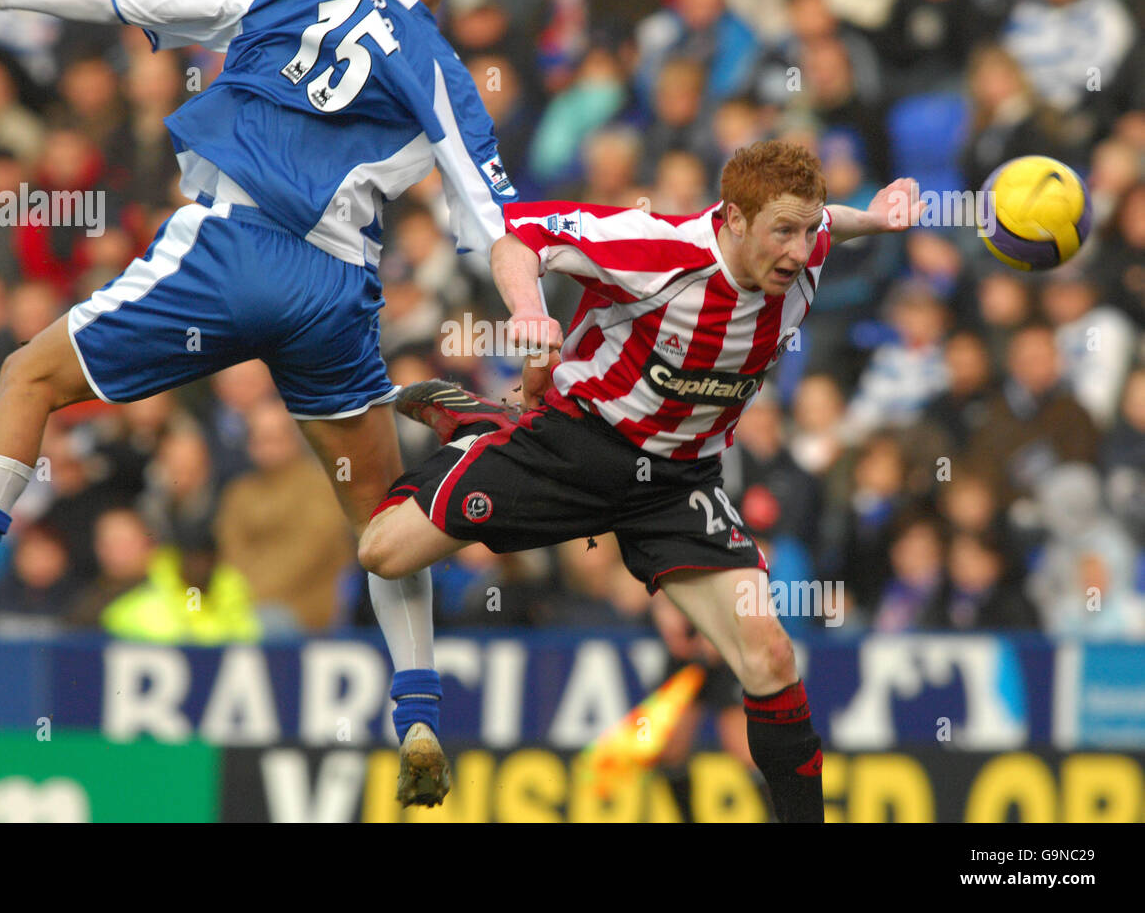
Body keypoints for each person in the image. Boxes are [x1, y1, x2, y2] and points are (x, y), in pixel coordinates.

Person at [0, 0, 557, 809]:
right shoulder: (440, 66)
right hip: (331, 292)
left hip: (228, 249)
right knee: (385, 518)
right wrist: (530, 320)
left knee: (26, 374)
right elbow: (498, 221)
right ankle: (418, 712)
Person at [358, 140, 925, 822]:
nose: (801, 252)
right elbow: (518, 236)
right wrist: (530, 310)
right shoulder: (658, 250)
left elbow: (829, 221)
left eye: (809, 232)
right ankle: (485, 426)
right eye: (784, 232)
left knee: (771, 656)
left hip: (679, 482)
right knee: (381, 551)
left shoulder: (802, 247)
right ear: (733, 219)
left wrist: (879, 216)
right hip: (575, 445)